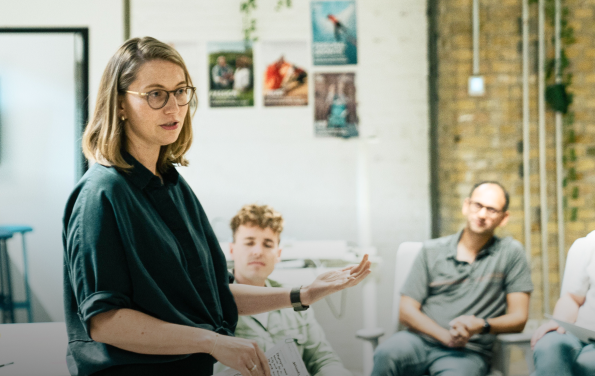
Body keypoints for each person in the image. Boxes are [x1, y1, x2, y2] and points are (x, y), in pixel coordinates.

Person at [63, 37, 371, 376]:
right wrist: (211, 341)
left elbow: (215, 294)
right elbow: (105, 322)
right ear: (120, 104)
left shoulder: (173, 186)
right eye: (155, 94)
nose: (173, 108)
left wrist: (303, 294)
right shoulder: (101, 194)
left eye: (180, 91)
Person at [372, 181, 533, 376]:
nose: (482, 214)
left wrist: (481, 325)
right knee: (386, 354)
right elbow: (406, 310)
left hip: (468, 351)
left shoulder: (510, 253)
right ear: (466, 206)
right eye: (478, 205)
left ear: (504, 218)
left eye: (491, 210)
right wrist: (444, 336)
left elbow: (519, 318)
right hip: (419, 340)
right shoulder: (431, 251)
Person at [215, 203, 353, 376]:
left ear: (278, 254)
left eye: (267, 244)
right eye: (249, 243)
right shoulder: (214, 302)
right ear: (232, 250)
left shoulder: (297, 302)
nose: (258, 251)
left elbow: (323, 359)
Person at [531, 225, 595, 375]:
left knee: (591, 363)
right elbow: (573, 298)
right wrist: (559, 321)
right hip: (581, 334)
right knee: (548, 345)